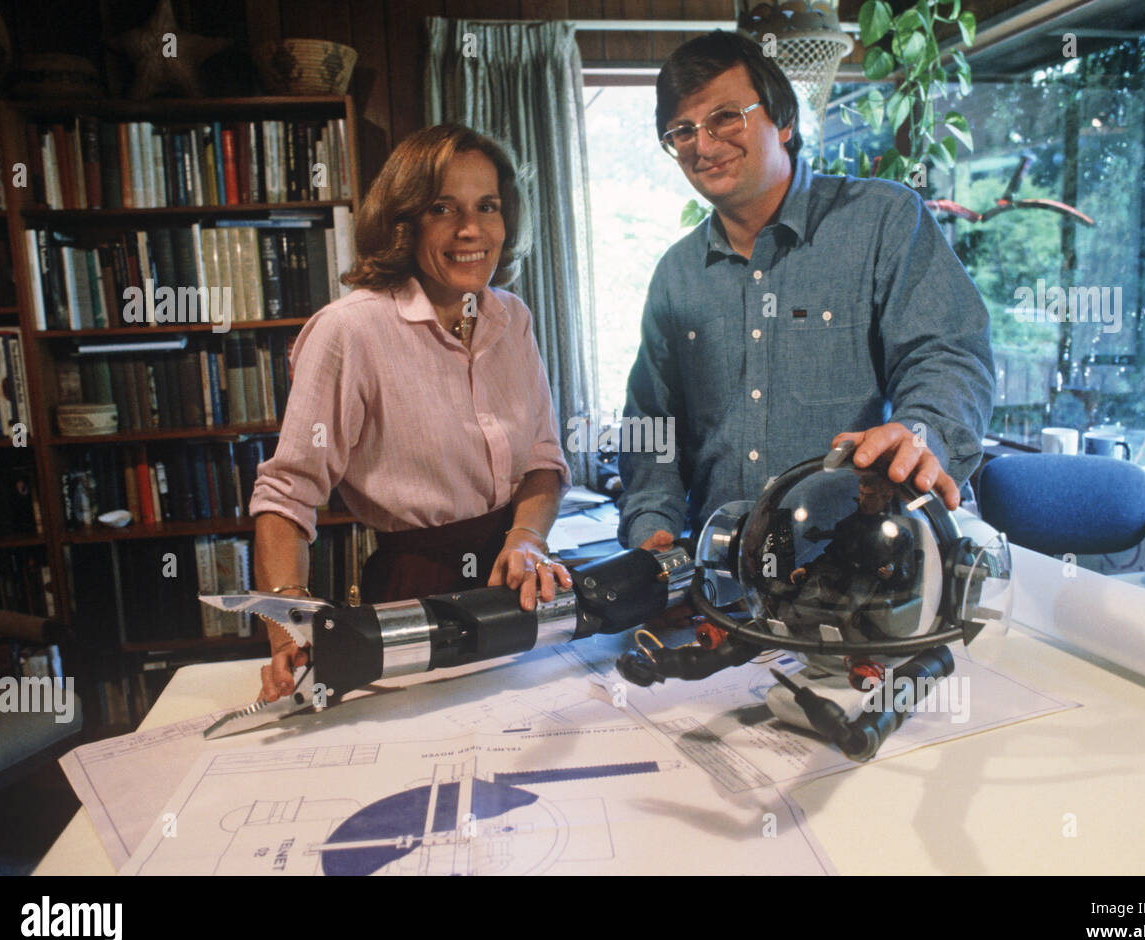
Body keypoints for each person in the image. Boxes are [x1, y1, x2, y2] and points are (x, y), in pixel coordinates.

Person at [618, 31, 995, 554]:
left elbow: (947, 354)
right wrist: (651, 535)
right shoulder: (675, 275)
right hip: (727, 579)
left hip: (871, 564)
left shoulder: (882, 220)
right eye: (682, 130)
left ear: (785, 120)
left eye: (726, 117)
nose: (703, 145)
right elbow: (651, 430)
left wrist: (921, 431)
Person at [249, 124, 571, 702]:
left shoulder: (513, 318)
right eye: (442, 208)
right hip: (412, 602)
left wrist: (527, 537)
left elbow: (543, 460)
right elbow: (286, 494)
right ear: (404, 222)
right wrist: (286, 617)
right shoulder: (350, 331)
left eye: (487, 206)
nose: (470, 230)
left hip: (518, 589)